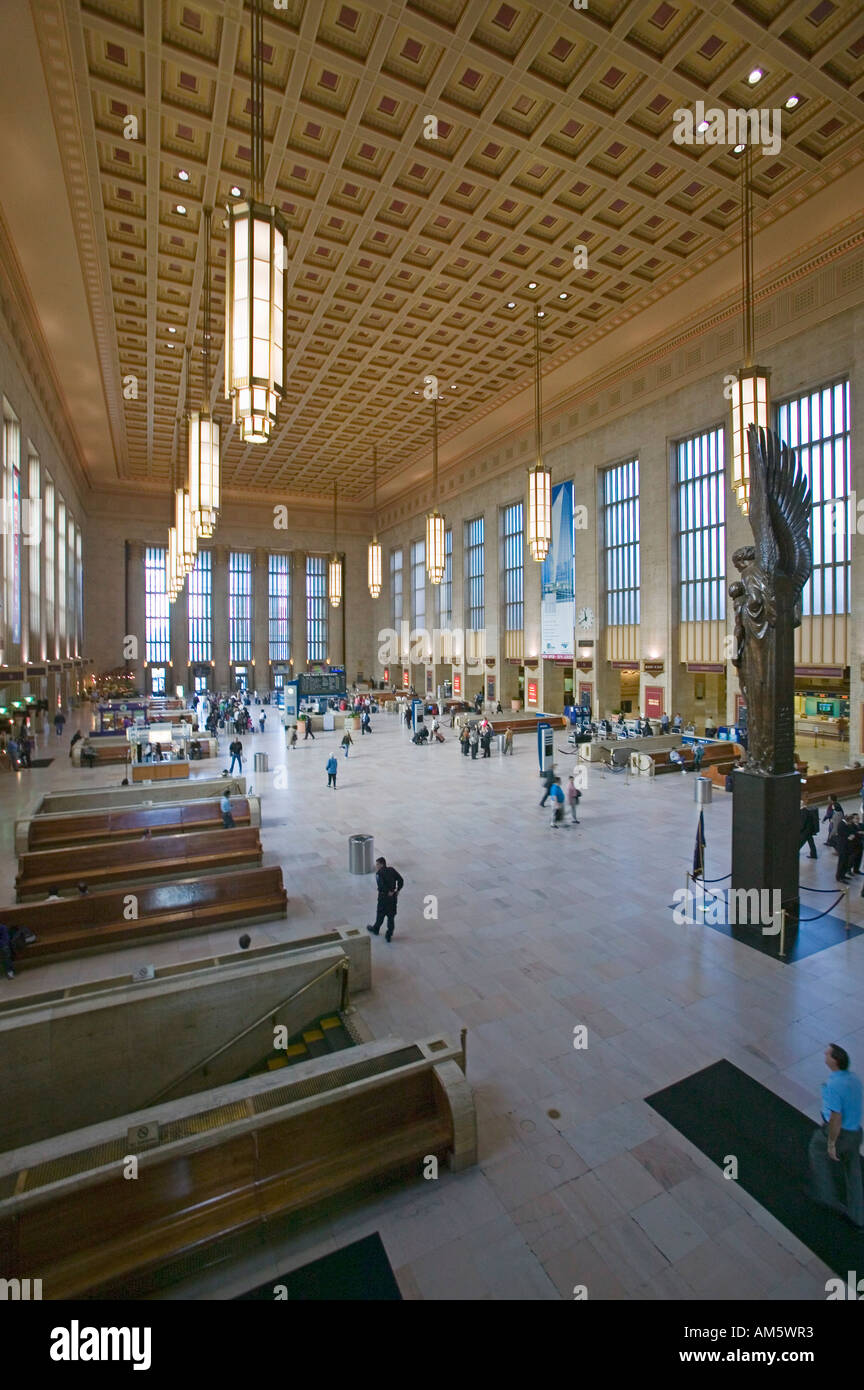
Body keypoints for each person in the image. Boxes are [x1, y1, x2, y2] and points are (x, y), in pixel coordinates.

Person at [808, 1043, 863, 1231]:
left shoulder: (834, 1085)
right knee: (853, 1169)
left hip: (840, 1134)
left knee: (816, 1150)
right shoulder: (854, 1079)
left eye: (828, 1054)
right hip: (856, 1132)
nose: (825, 1054)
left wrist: (831, 1143)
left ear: (835, 1061)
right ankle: (858, 1216)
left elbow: (835, 1117)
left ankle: (827, 1197)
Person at [366, 856, 404, 943]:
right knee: (391, 917)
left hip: (383, 898)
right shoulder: (392, 870)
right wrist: (397, 890)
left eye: (378, 864)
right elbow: (401, 880)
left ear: (382, 864)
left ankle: (376, 929)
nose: (376, 866)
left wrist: (388, 891)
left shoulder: (379, 874)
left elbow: (381, 886)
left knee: (380, 914)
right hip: (393, 898)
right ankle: (389, 934)